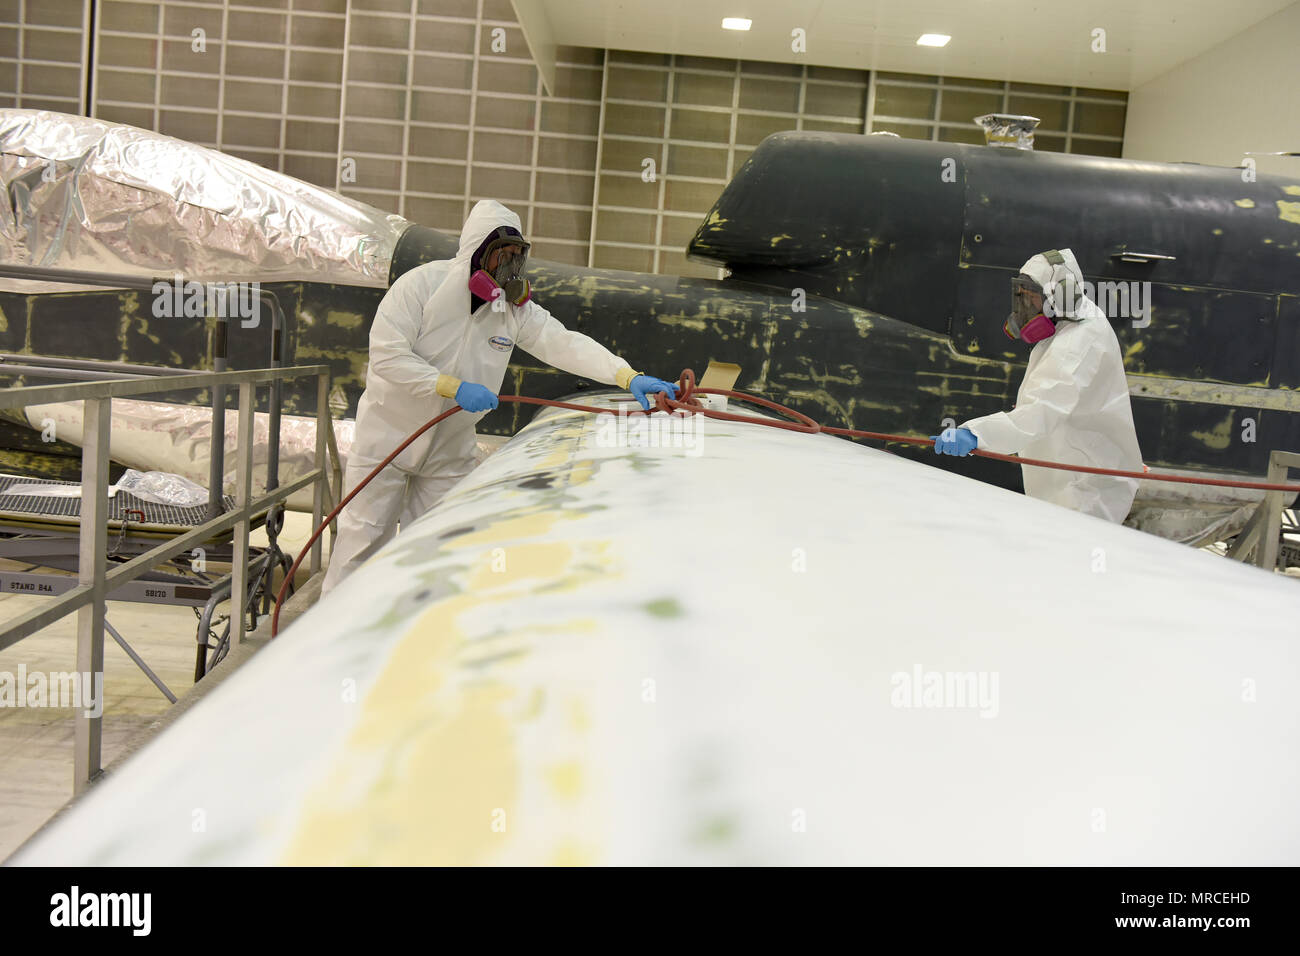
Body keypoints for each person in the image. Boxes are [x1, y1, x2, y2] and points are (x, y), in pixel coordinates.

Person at [321, 199, 679, 593]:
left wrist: (626, 376)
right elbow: (388, 356)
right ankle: (324, 646)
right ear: (477, 253)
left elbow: (563, 343)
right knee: (361, 546)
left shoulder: (512, 310)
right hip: (386, 441)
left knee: (437, 553)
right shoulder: (419, 287)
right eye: (500, 256)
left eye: (516, 257)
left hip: (448, 451)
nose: (508, 267)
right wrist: (451, 386)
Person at [932, 248, 1143, 523]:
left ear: (1061, 298)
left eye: (1032, 296)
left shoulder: (1079, 342)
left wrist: (976, 435)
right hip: (1066, 477)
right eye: (1021, 294)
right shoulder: (1069, 320)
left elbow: (1039, 412)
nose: (1024, 305)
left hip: (1086, 493)